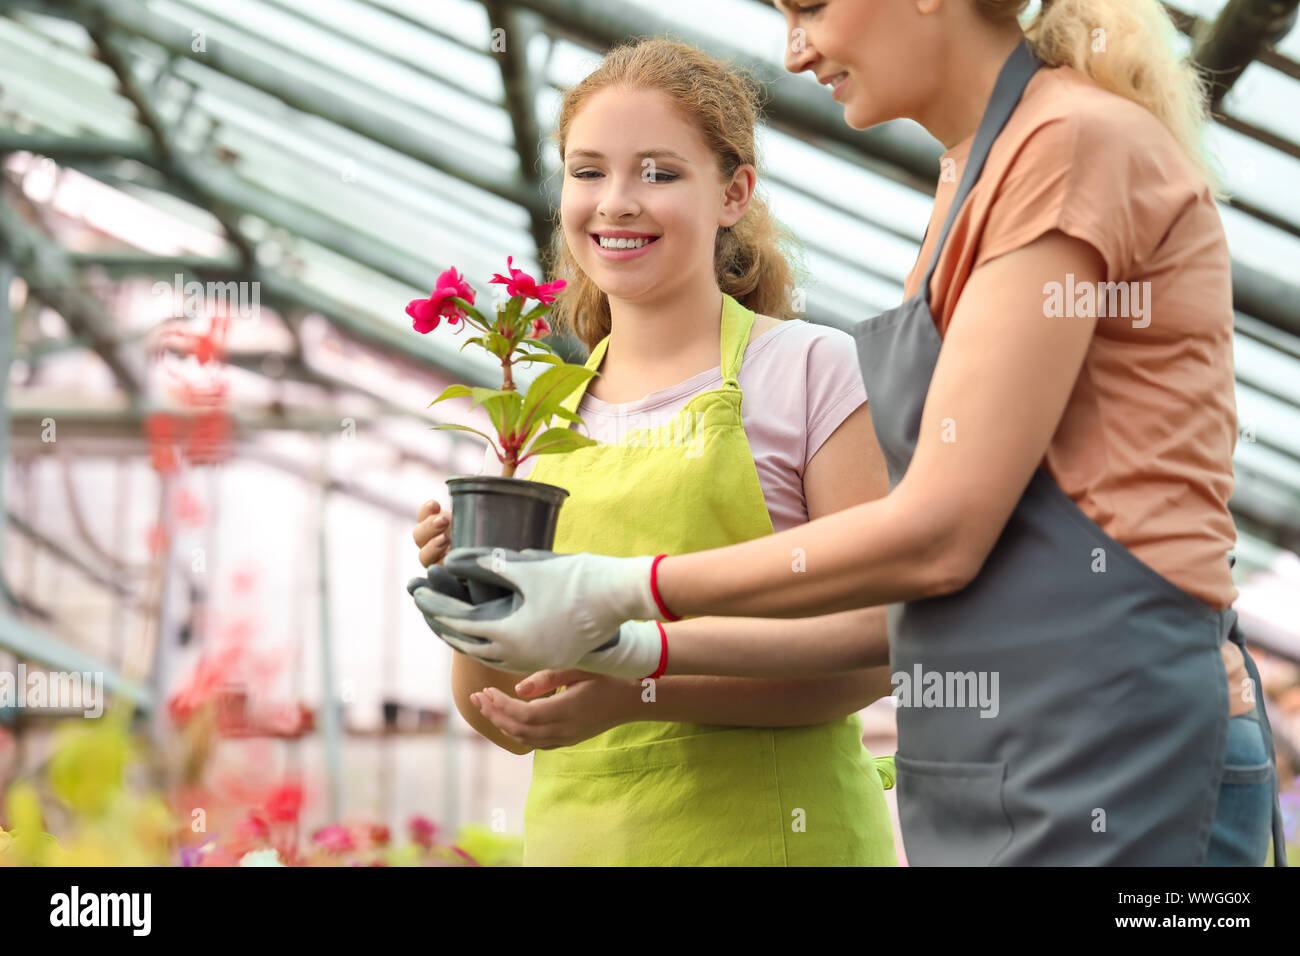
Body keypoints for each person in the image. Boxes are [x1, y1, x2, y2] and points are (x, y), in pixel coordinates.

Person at [413, 0, 1288, 866]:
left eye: (813, 7)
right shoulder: (972, 175)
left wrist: (625, 604)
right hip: (1008, 756)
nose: (793, 52)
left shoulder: (1065, 148)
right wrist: (588, 632)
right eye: (587, 171)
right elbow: (921, 590)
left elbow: (936, 540)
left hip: (1114, 746)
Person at [410, 36, 899, 866]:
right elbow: (497, 712)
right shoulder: (540, 418)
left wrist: (639, 695)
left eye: (660, 173)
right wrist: (470, 597)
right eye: (589, 171)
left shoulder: (810, 369)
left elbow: (880, 647)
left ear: (734, 193)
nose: (617, 202)